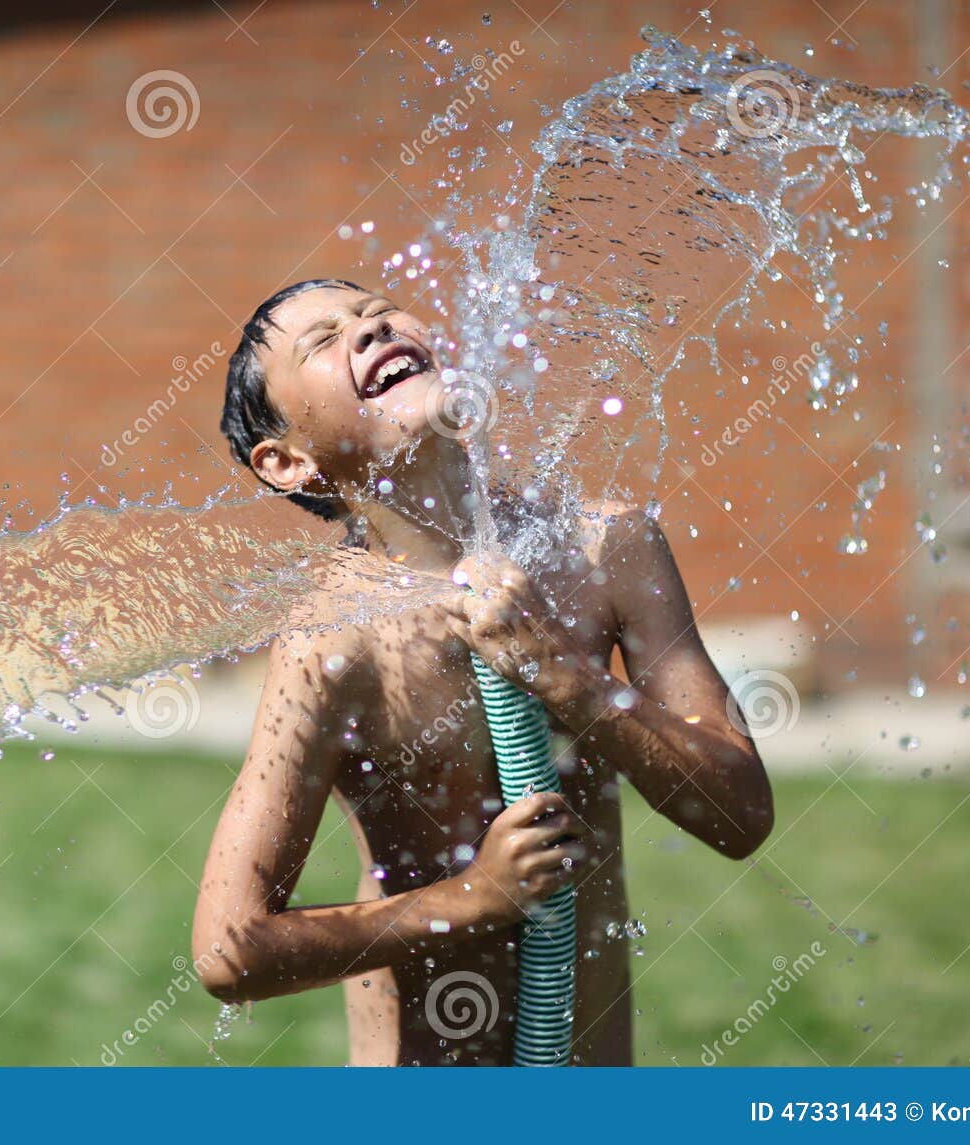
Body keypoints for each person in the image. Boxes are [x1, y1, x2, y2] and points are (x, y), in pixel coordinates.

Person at [192, 279, 773, 1065]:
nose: (370, 329)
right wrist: (475, 897)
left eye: (376, 311)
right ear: (289, 461)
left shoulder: (608, 551)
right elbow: (229, 949)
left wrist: (568, 678)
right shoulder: (333, 645)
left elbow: (740, 815)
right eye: (323, 342)